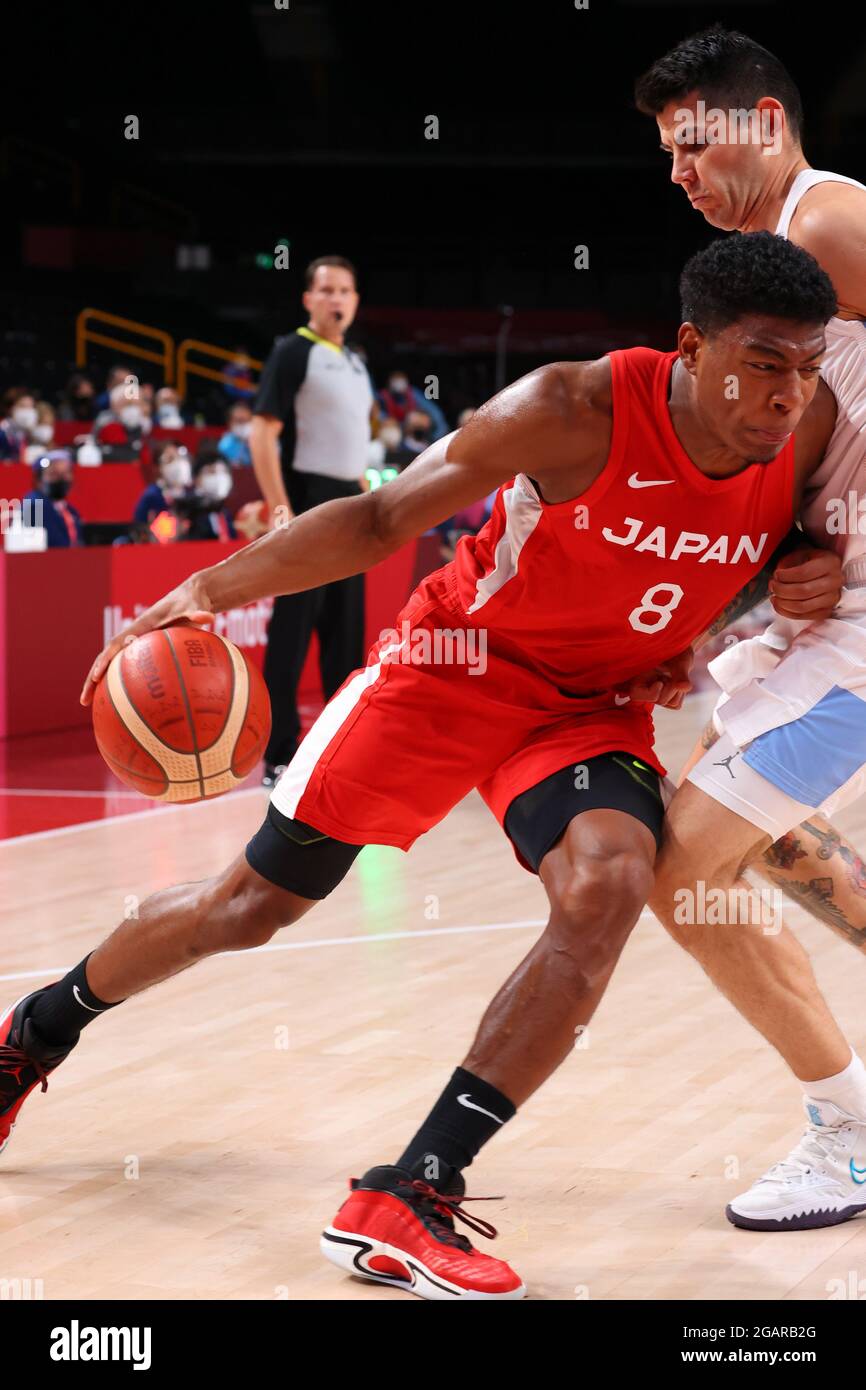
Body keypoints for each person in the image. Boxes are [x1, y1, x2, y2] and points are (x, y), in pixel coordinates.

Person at [0, 233, 846, 1301]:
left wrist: (781, 583)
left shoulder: (807, 425)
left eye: (806, 366)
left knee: (611, 879)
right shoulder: (568, 409)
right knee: (249, 906)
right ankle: (33, 1033)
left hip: (586, 710)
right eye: (762, 363)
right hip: (453, 668)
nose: (785, 394)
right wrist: (210, 587)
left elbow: (761, 552)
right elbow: (380, 516)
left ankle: (410, 1191)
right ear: (689, 347)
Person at [634, 24, 866, 1231]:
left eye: (690, 145)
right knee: (765, 844)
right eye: (663, 156)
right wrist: (799, 552)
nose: (676, 173)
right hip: (830, 611)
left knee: (681, 869)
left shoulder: (825, 223)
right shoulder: (777, 263)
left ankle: (849, 1133)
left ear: (763, 122)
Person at [250, 254, 374, 786]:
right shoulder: (292, 351)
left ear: (355, 300)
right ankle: (279, 757)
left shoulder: (354, 359)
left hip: (351, 502)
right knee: (293, 635)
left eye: (345, 290)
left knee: (346, 639)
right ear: (308, 299)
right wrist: (281, 509)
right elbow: (262, 432)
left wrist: (366, 491)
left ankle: (341, 753)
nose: (336, 299)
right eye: (326, 290)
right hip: (309, 499)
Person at [23, 455, 83, 547]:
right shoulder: (32, 505)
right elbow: (30, 546)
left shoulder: (71, 512)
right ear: (39, 480)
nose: (61, 479)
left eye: (65, 474)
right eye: (54, 474)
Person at [133, 441, 193, 528]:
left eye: (180, 458)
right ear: (158, 467)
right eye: (170, 459)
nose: (178, 464)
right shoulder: (152, 495)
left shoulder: (192, 493)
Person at [217, 403, 253, 467]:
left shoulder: (260, 441)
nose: (243, 425)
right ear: (230, 422)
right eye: (239, 421)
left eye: (246, 421)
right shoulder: (225, 445)